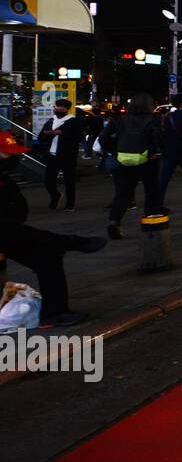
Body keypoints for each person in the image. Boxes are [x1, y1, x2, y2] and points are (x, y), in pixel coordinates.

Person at [0, 131, 106, 328]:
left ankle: (55, 312)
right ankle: (71, 241)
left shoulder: (4, 177)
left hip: (12, 232)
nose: (14, 157)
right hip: (6, 232)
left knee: (49, 257)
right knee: (44, 242)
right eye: (7, 153)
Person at [101, 93, 166, 239]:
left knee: (123, 193)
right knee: (151, 190)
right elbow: (159, 138)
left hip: (122, 160)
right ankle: (150, 222)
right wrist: (156, 152)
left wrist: (114, 151)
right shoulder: (154, 119)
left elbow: (103, 137)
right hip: (147, 160)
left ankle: (114, 221)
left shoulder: (119, 119)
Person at [37, 97, 85, 211]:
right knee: (48, 180)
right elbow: (41, 138)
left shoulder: (74, 121)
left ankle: (70, 204)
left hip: (68, 155)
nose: (57, 109)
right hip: (52, 155)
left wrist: (62, 133)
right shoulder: (50, 121)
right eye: (56, 107)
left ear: (66, 109)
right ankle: (55, 195)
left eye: (61, 108)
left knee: (69, 180)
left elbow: (78, 138)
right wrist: (47, 134)